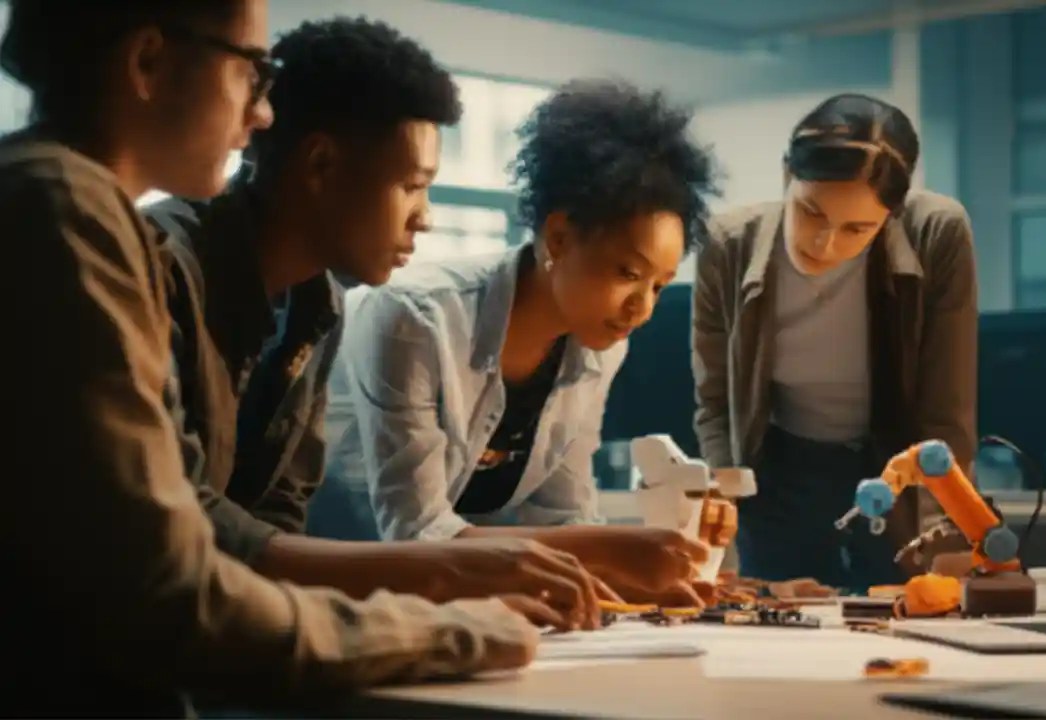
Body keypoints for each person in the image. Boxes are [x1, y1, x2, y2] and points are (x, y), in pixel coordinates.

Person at [0, 2, 537, 715]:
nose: (261, 113)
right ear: (148, 62)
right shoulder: (65, 210)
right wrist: (454, 625)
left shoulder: (312, 303)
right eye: (253, 72)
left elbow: (265, 531)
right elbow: (173, 594)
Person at [146, 16, 606, 633]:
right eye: (411, 186)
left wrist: (438, 598)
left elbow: (278, 521)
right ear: (321, 164)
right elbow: (177, 519)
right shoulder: (159, 266)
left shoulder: (318, 305)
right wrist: (440, 575)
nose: (424, 220)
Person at [334, 79, 721, 604]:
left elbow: (563, 515)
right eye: (628, 273)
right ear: (558, 238)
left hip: (450, 602)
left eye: (658, 284)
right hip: (333, 600)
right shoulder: (414, 319)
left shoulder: (599, 345)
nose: (644, 307)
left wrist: (644, 584)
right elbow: (416, 532)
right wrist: (608, 550)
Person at [691, 93, 977, 593]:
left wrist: (946, 533)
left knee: (904, 613)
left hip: (894, 467)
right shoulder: (727, 244)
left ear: (891, 214)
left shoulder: (938, 233)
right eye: (810, 213)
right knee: (776, 623)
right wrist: (726, 493)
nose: (825, 245)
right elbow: (715, 400)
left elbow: (945, 413)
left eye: (856, 229)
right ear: (786, 176)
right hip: (778, 469)